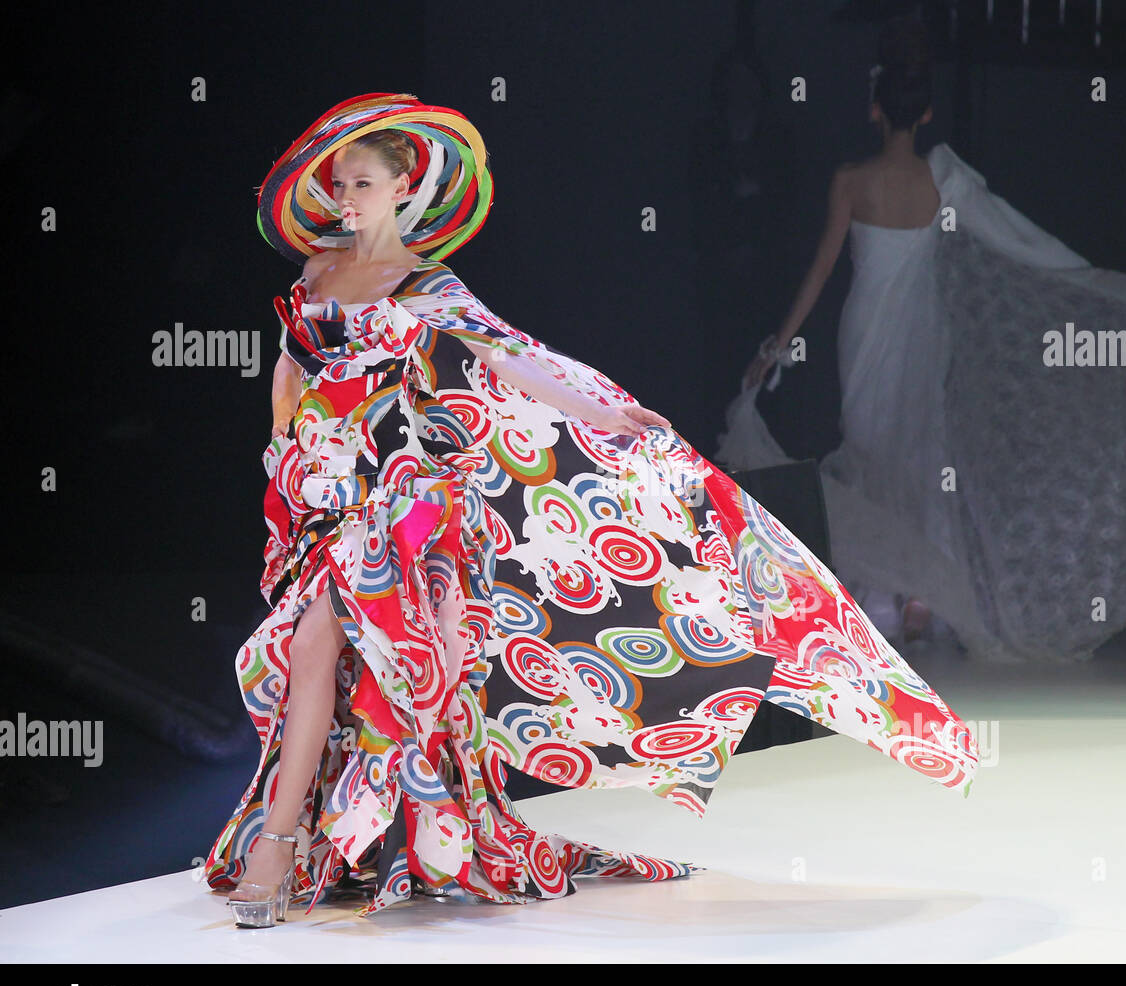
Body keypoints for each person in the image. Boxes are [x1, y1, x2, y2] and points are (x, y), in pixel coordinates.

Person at [203, 93, 980, 927]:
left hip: (411, 505)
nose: (345, 199)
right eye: (338, 184)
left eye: (360, 183)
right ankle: (338, 838)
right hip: (328, 497)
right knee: (323, 660)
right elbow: (289, 369)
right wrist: (287, 445)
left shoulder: (425, 286)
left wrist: (610, 415)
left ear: (403, 188)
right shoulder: (319, 271)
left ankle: (276, 854)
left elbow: (523, 362)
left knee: (322, 640)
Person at [717, 33, 1126, 662]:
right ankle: (913, 597)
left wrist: (777, 346)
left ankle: (895, 597)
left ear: (875, 108)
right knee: (912, 451)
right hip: (919, 332)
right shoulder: (946, 183)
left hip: (866, 330)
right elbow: (1025, 243)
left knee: (871, 445)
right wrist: (1101, 285)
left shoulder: (852, 180)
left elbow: (820, 270)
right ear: (927, 113)